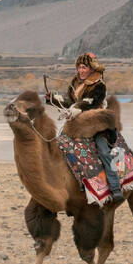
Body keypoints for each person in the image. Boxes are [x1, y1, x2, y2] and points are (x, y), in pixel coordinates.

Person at [47, 52, 122, 201]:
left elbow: (90, 102)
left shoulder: (99, 85)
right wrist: (53, 98)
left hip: (97, 124)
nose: (81, 70)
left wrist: (76, 109)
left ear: (92, 69)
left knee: (103, 151)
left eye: (84, 67)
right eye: (79, 67)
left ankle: (115, 188)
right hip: (77, 125)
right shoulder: (75, 83)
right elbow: (70, 101)